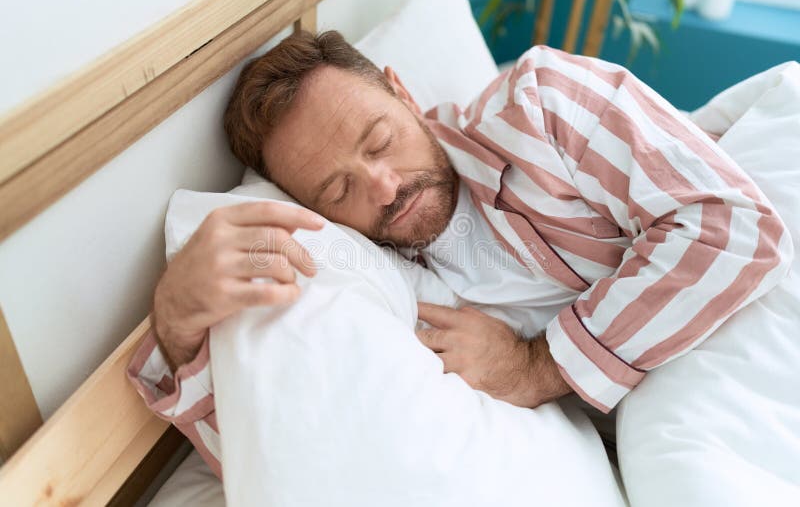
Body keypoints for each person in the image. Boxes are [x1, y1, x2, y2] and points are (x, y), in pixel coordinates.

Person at [129, 30, 792, 475]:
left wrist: (538, 365)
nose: (383, 188)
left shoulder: (542, 106)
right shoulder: (384, 285)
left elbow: (734, 227)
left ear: (403, 93)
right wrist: (177, 323)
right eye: (338, 190)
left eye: (380, 141)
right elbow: (290, 446)